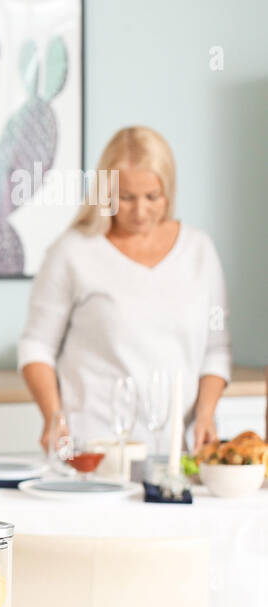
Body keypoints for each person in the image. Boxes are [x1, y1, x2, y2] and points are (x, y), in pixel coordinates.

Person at [19, 126, 231, 454]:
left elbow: (216, 353)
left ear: (169, 191)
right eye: (126, 197)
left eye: (152, 197)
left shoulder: (199, 251)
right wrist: (53, 416)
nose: (140, 211)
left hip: (176, 451)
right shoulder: (72, 252)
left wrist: (206, 414)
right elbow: (36, 346)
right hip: (94, 447)